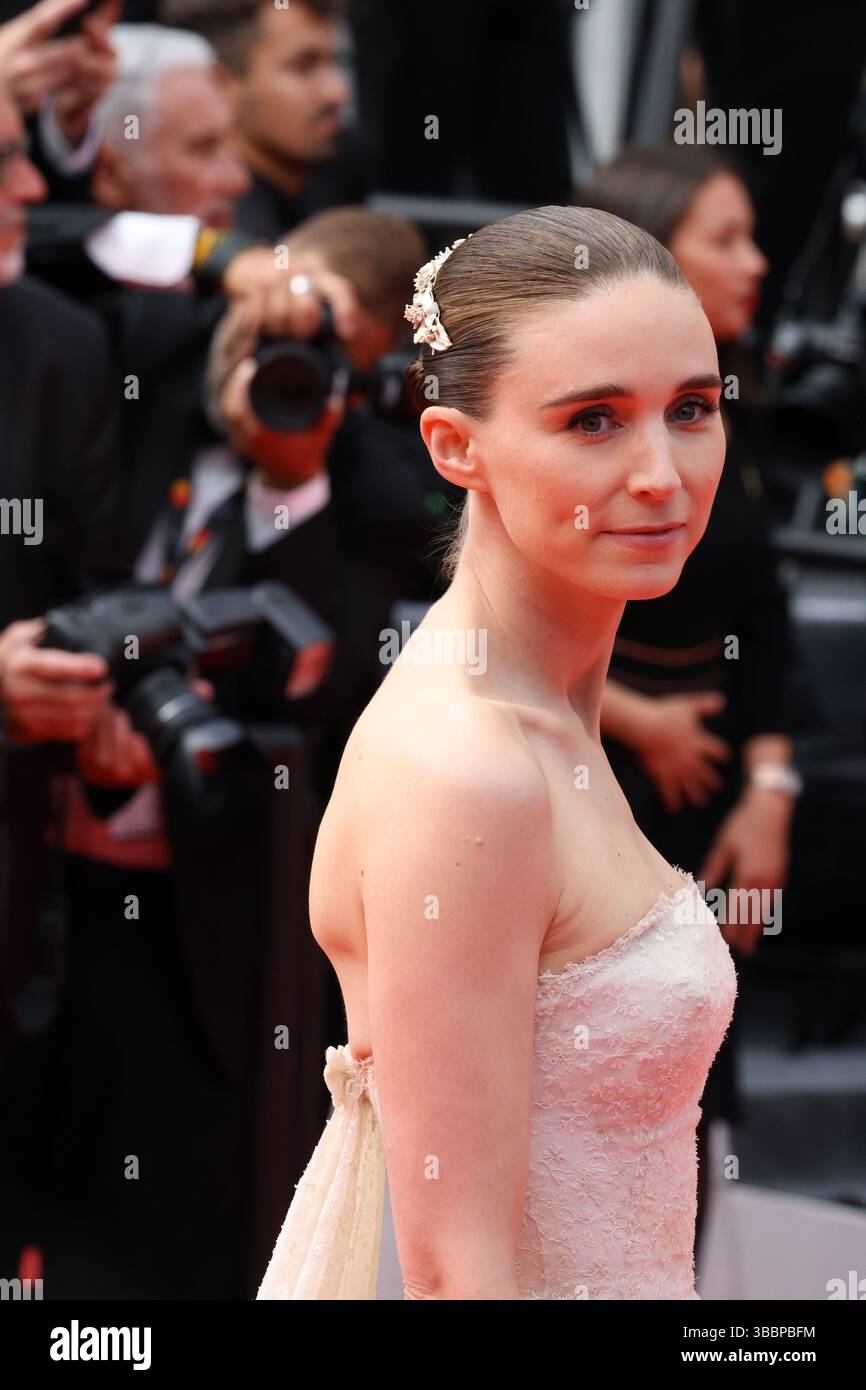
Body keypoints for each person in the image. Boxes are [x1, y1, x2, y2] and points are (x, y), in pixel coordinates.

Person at [256, 204, 737, 1301]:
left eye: (692, 408)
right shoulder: (464, 770)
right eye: (592, 422)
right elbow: (451, 1271)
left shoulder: (545, 706)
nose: (661, 473)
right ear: (454, 445)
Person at [577, 144, 801, 1259]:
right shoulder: (564, 408)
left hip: (709, 804)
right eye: (726, 237)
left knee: (688, 1093)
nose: (755, 262)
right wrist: (629, 718)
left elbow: (766, 621)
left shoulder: (735, 403)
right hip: (583, 780)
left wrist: (769, 789)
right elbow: (462, 615)